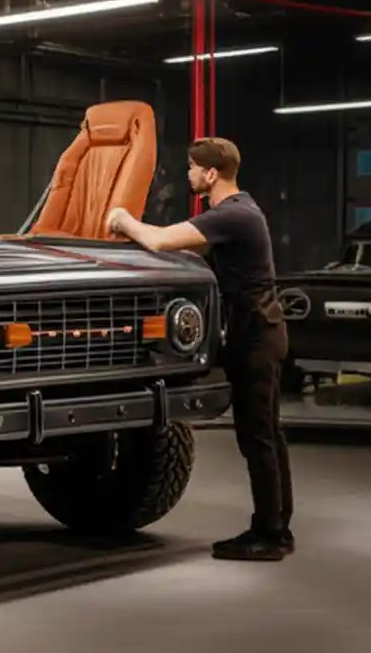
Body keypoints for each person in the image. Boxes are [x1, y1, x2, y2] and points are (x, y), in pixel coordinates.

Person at [106, 137, 294, 562]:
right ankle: (277, 527)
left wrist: (122, 219)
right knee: (267, 436)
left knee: (258, 438)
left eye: (192, 167)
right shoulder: (238, 213)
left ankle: (269, 535)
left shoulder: (232, 215)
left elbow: (160, 241)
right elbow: (187, 248)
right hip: (260, 334)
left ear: (211, 174)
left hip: (255, 339)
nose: (188, 174)